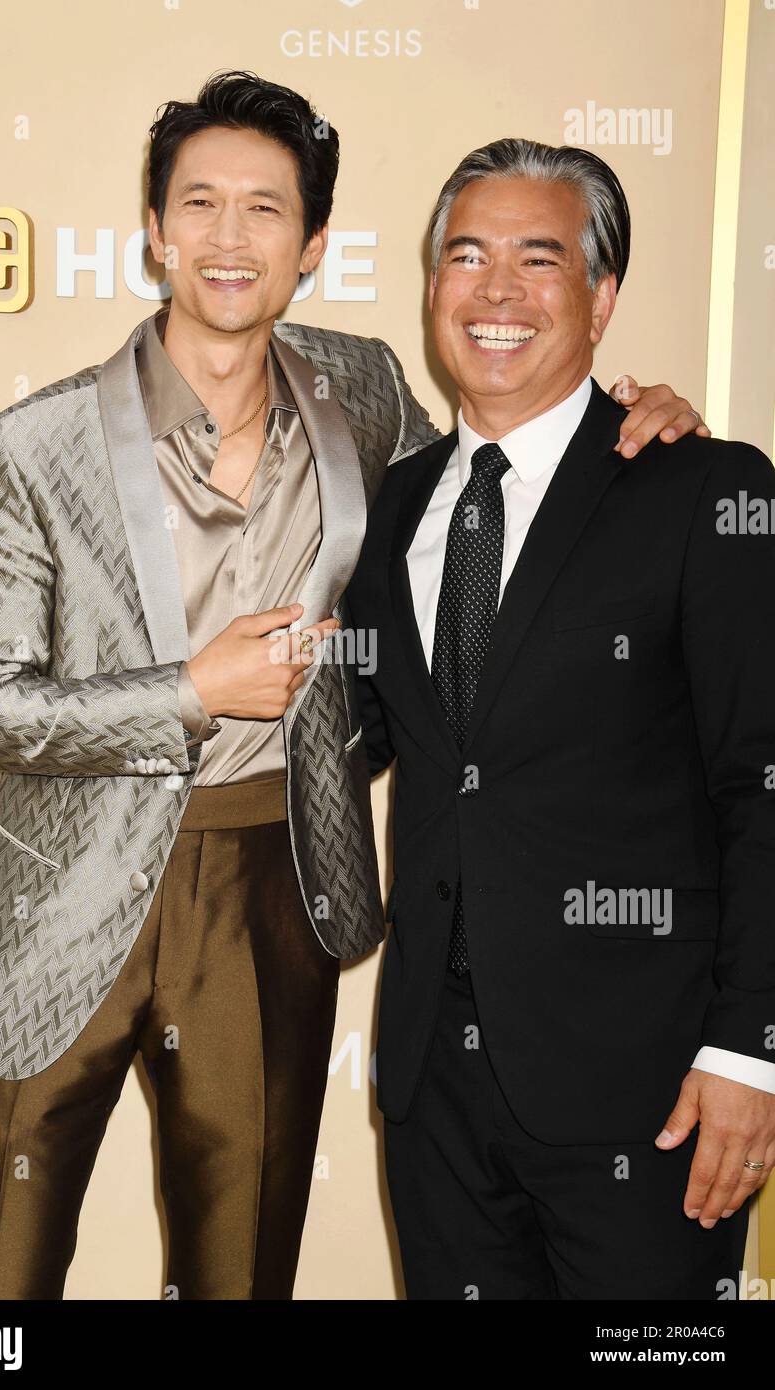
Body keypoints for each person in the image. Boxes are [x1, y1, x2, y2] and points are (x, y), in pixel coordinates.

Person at [0, 74, 704, 1300]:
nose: (229, 239)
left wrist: (634, 413)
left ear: (313, 247)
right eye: (200, 205)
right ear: (154, 233)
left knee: (241, 1271)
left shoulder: (369, 393)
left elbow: (504, 469)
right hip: (58, 900)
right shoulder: (29, 448)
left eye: (264, 211)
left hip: (271, 885)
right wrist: (191, 688)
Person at [347, 138, 775, 1300]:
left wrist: (750, 1051)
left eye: (538, 260)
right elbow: (370, 732)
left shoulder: (706, 491)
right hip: (436, 1084)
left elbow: (760, 784)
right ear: (431, 283)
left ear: (599, 298)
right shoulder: (393, 505)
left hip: (656, 1090)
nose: (494, 291)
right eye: (465, 255)